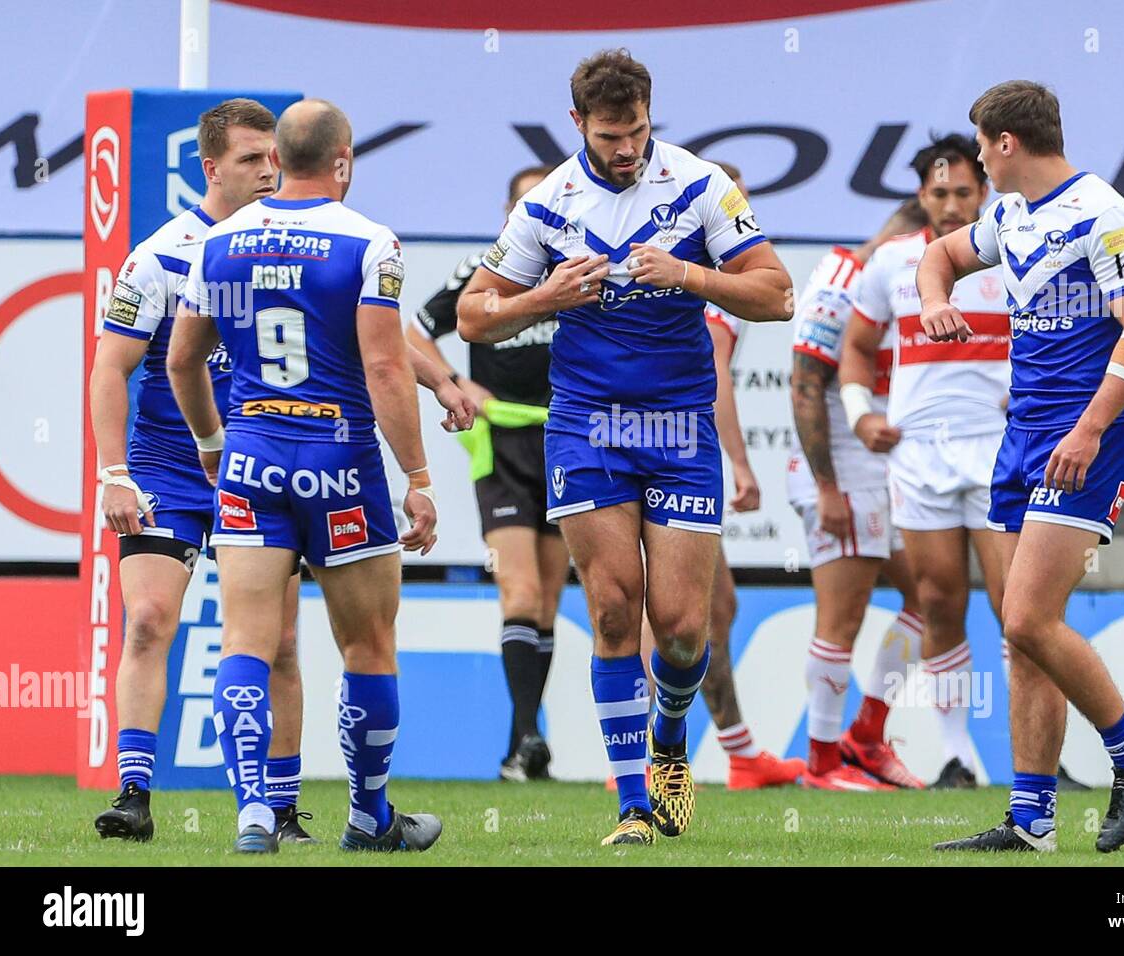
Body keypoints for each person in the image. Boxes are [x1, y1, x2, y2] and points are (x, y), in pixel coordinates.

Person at [457, 50, 792, 846]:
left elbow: (777, 294)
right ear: (577, 125)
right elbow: (473, 315)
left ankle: (670, 737)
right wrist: (546, 296)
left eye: (637, 131)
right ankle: (633, 803)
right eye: (610, 136)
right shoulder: (545, 205)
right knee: (613, 611)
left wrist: (687, 273)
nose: (626, 149)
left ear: (651, 114)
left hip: (679, 426)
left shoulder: (703, 186)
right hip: (586, 424)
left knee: (681, 628)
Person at [168, 98, 466, 854]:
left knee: (246, 639)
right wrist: (420, 476)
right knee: (368, 643)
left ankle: (255, 816)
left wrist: (211, 441)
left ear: (280, 159)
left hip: (252, 454)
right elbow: (386, 365)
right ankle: (369, 817)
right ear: (342, 161)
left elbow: (181, 360)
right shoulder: (370, 241)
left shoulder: (219, 241)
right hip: (340, 458)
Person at [921, 81, 1124, 853]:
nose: (976, 167)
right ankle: (1030, 819)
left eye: (980, 148)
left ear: (1006, 144)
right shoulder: (1009, 213)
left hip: (1081, 441)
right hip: (1024, 436)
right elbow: (940, 252)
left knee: (1030, 616)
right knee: (1018, 634)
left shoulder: (1104, 213)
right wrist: (935, 298)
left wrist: (1091, 429)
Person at [90, 99, 314, 844]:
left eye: (273, 156)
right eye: (251, 159)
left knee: (279, 643)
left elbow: (366, 329)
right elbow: (110, 369)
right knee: (150, 622)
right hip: (168, 468)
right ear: (210, 168)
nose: (267, 170)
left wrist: (439, 382)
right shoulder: (158, 257)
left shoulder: (298, 243)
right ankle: (134, 797)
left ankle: (279, 811)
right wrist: (114, 475)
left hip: (258, 466)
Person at [839, 134, 1009, 789]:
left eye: (963, 191)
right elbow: (855, 349)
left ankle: (1037, 753)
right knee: (939, 600)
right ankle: (955, 753)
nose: (950, 203)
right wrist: (862, 416)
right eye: (939, 193)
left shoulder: (1012, 258)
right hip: (920, 459)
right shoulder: (891, 263)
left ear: (984, 192)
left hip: (999, 454)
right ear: (920, 195)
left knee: (1016, 605)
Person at [639, 161, 805, 791]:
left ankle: (736, 753)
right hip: (663, 450)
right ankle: (634, 758)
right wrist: (739, 463)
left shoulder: (719, 273)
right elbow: (714, 380)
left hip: (659, 445)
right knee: (665, 609)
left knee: (707, 605)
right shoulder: (710, 281)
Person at [406, 165, 569, 783]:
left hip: (568, 441)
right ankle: (529, 735)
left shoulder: (578, 270)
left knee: (548, 603)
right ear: (507, 212)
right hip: (500, 443)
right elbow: (413, 332)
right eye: (524, 204)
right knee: (521, 593)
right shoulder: (483, 268)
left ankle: (517, 751)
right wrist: (456, 383)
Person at [788, 200, 931, 792]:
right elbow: (803, 384)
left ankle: (867, 736)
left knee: (931, 596)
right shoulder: (843, 277)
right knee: (841, 617)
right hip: (845, 470)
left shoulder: (907, 283)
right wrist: (827, 486)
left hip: (887, 469)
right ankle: (821, 763)